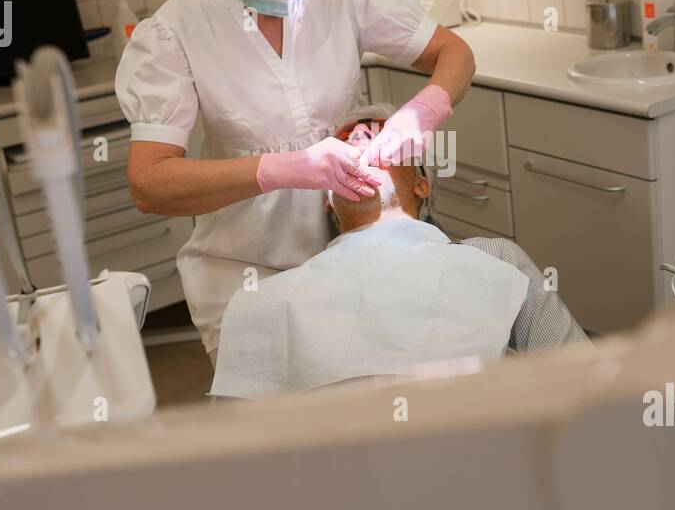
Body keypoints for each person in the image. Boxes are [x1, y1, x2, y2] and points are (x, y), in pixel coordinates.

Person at [115, 0, 476, 361]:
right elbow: (149, 184)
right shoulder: (175, 33)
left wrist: (426, 109)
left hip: (361, 256)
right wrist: (284, 169)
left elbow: (453, 53)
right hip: (248, 271)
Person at [210, 104, 590, 398]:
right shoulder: (266, 302)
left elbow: (585, 382)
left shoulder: (495, 260)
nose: (360, 137)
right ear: (328, 197)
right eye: (346, 143)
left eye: (382, 138)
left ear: (422, 185)